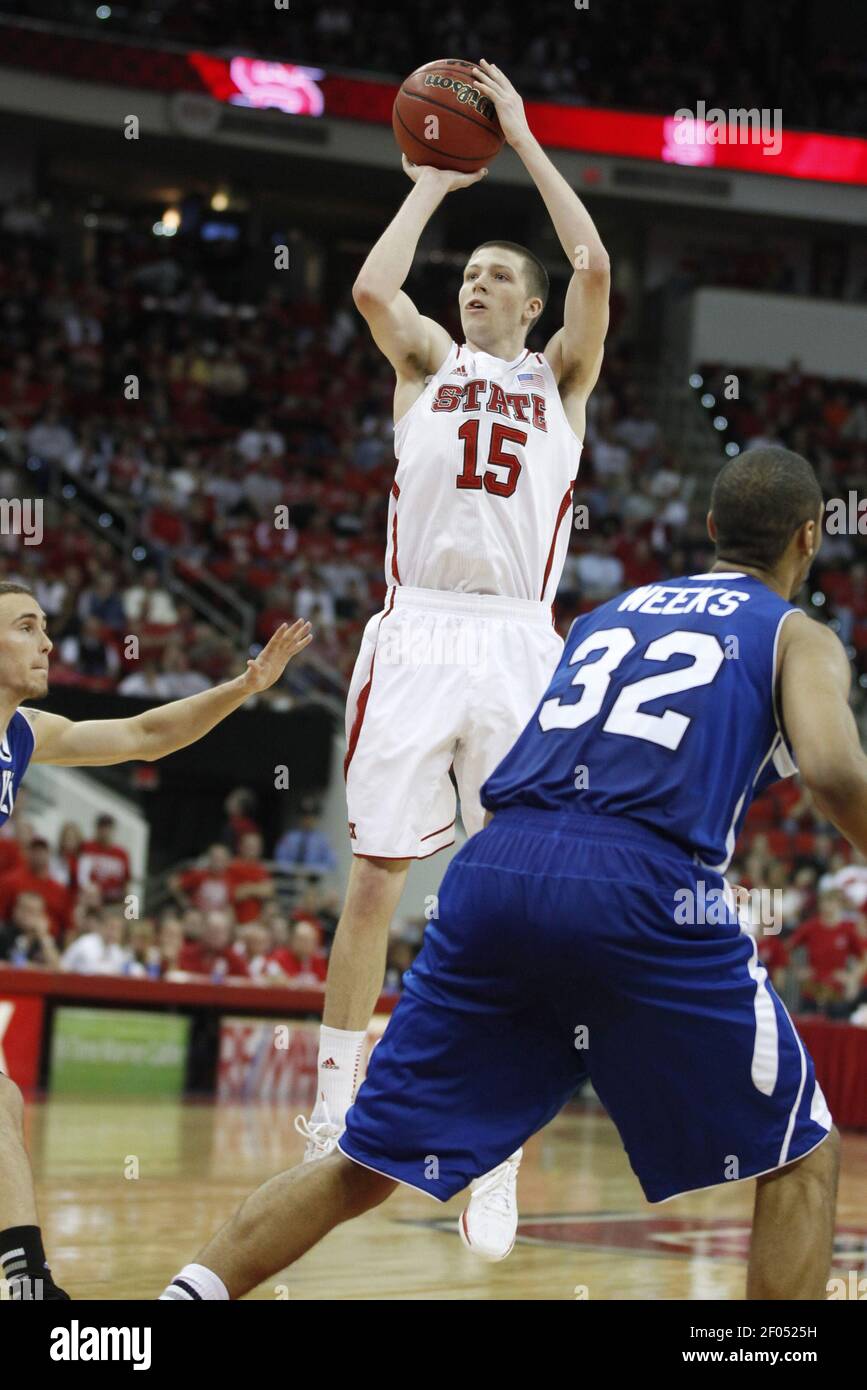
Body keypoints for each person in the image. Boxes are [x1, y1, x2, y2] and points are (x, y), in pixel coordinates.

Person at [160, 446, 847, 1303]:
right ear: (810, 538)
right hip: (639, 882)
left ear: (708, 530)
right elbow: (832, 773)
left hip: (498, 865)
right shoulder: (794, 633)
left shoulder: (603, 618)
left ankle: (173, 1307)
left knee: (362, 1164)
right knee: (799, 1154)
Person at [295, 59, 610, 1258]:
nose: (475, 285)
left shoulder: (560, 376)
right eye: (468, 276)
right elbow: (377, 288)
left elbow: (594, 268)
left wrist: (522, 138)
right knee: (376, 877)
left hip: (520, 644)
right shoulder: (423, 363)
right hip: (419, 625)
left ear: (525, 307)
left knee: (510, 899)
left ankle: (497, 1157)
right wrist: (430, 184)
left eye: (494, 277)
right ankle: (334, 1108)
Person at [0, 579, 311, 1300]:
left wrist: (244, 686)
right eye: (24, 628)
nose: (47, 642)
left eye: (46, 627)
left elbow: (146, 734)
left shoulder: (24, 733)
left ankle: (24, 1279)